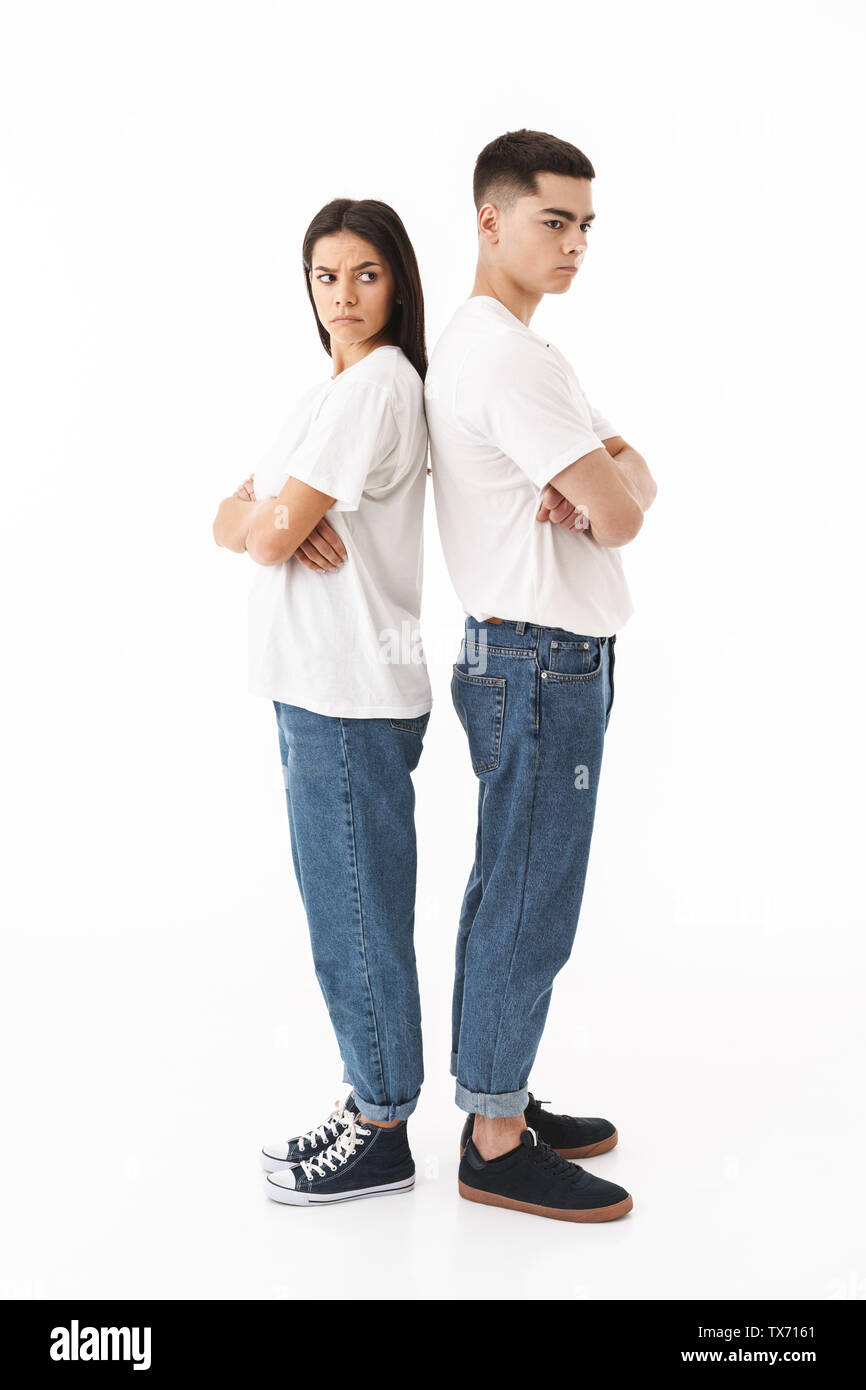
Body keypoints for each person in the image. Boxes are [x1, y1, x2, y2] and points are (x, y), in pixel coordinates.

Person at [423, 128, 658, 1223]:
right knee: (528, 896)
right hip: (539, 658)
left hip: (535, 655)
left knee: (508, 887)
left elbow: (639, 481)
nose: (573, 244)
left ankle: (493, 1094)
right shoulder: (505, 358)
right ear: (490, 220)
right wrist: (605, 484)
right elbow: (616, 510)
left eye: (584, 226)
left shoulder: (523, 350)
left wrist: (610, 480)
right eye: (551, 221)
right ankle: (494, 1140)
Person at [212, 198, 432, 1206]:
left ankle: (380, 1120)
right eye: (324, 277)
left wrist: (271, 523)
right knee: (340, 908)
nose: (343, 297)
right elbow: (226, 514)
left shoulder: (377, 385)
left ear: (398, 281)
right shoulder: (325, 392)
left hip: (346, 690)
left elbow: (252, 530)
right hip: (314, 686)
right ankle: (367, 1100)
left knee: (354, 915)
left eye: (365, 275)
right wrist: (275, 518)